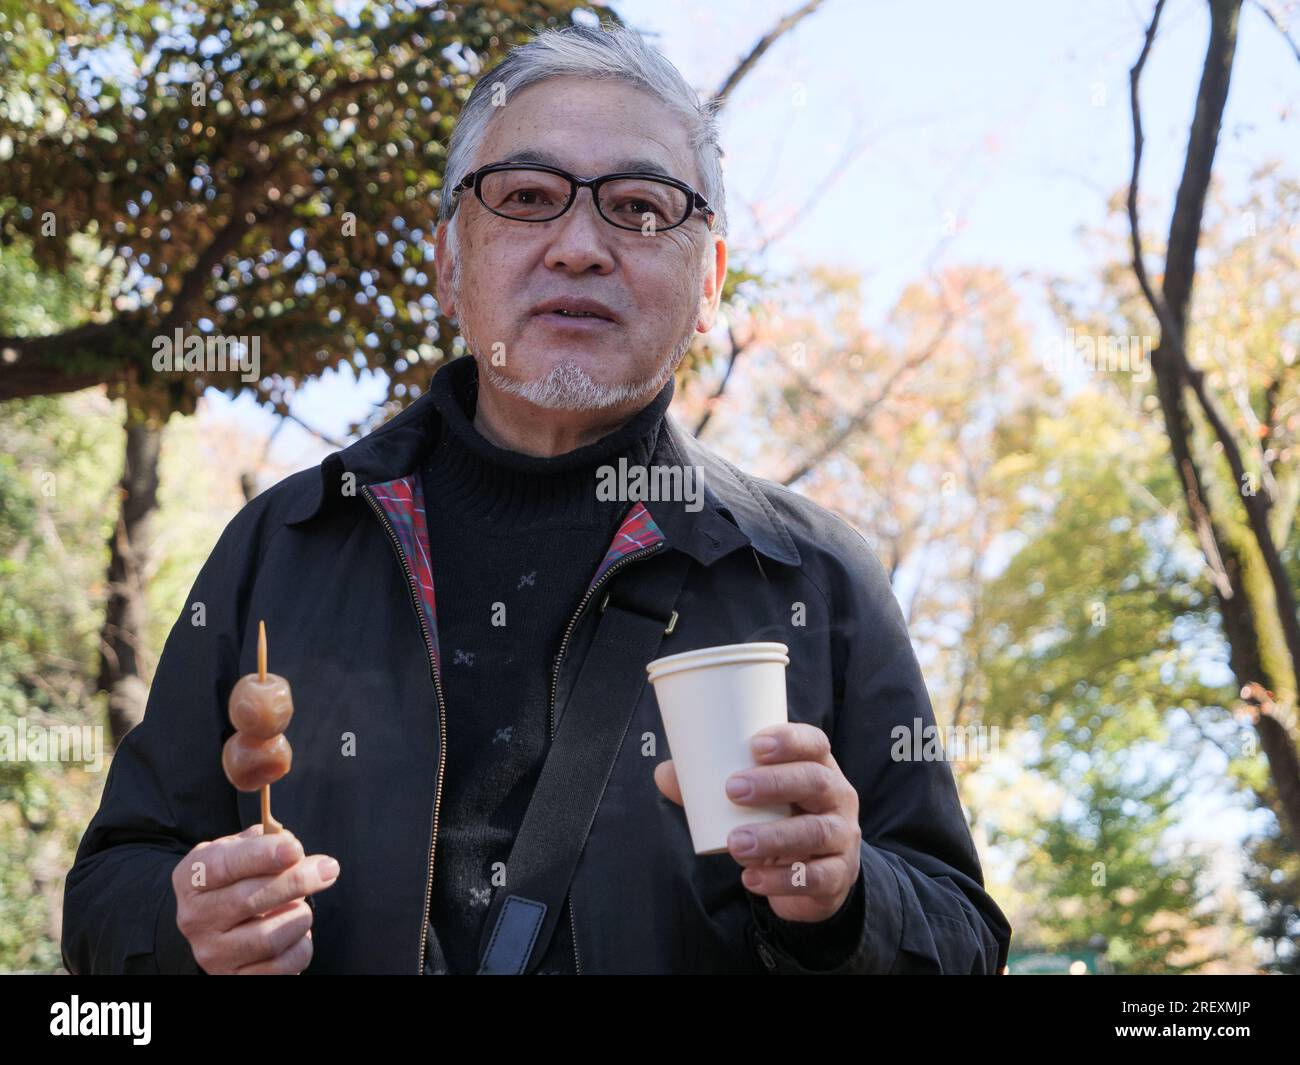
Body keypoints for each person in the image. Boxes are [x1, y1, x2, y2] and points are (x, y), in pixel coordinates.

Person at [62, 21, 1011, 975]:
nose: (580, 246)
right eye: (526, 197)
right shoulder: (286, 543)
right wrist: (183, 928)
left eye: (641, 207)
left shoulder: (814, 574)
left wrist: (847, 903)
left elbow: (966, 938)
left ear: (710, 280)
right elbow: (106, 898)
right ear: (448, 261)